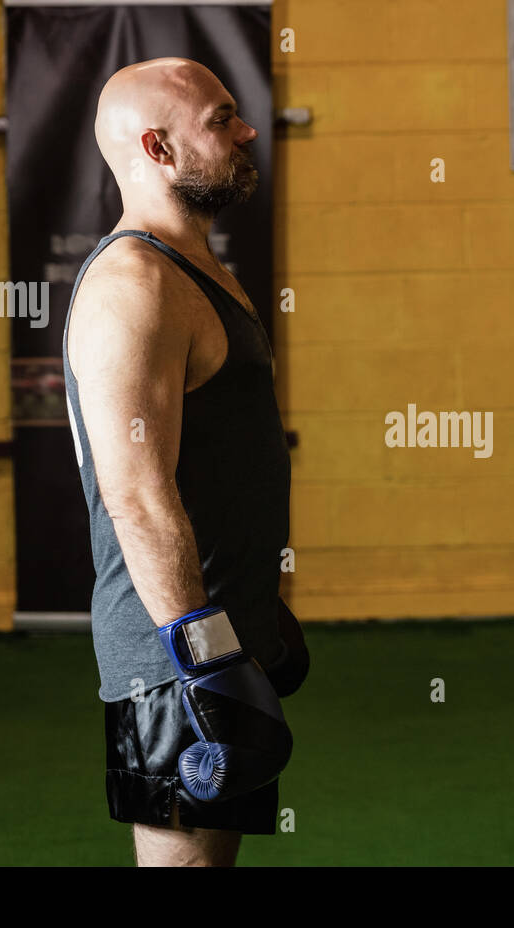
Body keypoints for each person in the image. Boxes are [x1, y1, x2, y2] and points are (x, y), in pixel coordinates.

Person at [62, 57, 306, 866]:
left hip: (220, 632)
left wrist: (258, 613)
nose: (245, 132)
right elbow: (133, 490)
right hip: (175, 660)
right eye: (223, 118)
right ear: (158, 148)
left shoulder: (196, 267)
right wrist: (202, 657)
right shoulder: (134, 280)